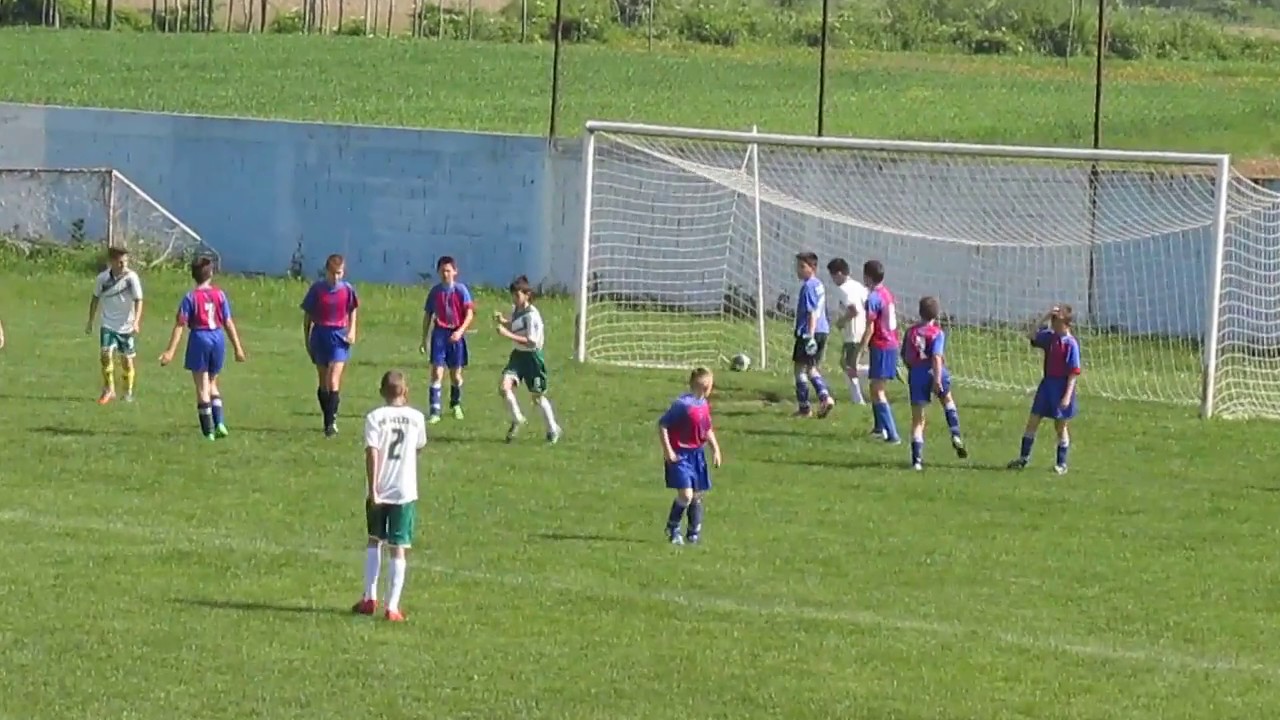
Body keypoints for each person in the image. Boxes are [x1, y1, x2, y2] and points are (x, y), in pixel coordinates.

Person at [353, 370, 428, 623]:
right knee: (399, 548)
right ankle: (392, 606)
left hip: (380, 488)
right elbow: (419, 447)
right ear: (405, 391)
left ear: (381, 391)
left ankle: (369, 597)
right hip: (404, 490)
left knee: (374, 541)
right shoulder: (416, 418)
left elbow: (372, 452)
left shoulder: (375, 417)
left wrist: (373, 487)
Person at [158, 257, 247, 440]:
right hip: (217, 337)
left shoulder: (190, 297)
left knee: (201, 386)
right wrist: (238, 348)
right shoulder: (219, 295)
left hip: (199, 337)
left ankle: (208, 432)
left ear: (193, 275)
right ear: (211, 274)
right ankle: (220, 422)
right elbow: (228, 322)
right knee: (213, 382)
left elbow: (180, 325)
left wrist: (170, 351)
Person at [1009, 305, 1082, 475]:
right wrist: (1045, 316)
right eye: (1052, 320)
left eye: (1056, 321)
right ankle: (1023, 458)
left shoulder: (1071, 344)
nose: (1053, 324)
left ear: (1066, 323)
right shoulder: (1050, 337)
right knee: (1033, 421)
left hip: (1061, 387)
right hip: (1046, 385)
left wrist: (1066, 397)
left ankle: (1061, 464)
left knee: (1060, 426)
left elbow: (1073, 374)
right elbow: (1030, 335)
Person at [494, 275, 562, 444]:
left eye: (517, 295)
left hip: (532, 359)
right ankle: (517, 418)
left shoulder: (533, 316)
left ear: (527, 295)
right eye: (513, 295)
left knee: (537, 397)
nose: (515, 299)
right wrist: (504, 321)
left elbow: (532, 341)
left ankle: (553, 429)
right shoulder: (517, 309)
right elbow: (517, 325)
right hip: (517, 356)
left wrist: (506, 334)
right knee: (504, 387)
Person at [902, 296, 968, 470]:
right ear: (936, 314)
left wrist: (912, 370)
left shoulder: (911, 332)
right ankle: (955, 434)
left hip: (917, 373)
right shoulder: (937, 332)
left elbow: (905, 355)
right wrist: (938, 379)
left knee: (918, 419)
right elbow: (937, 357)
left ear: (919, 311)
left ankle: (916, 461)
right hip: (934, 371)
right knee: (947, 400)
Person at [658, 368, 722, 545]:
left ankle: (693, 532)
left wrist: (715, 448)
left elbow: (706, 428)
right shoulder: (682, 405)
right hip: (680, 455)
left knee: (696, 495)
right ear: (705, 386)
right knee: (686, 495)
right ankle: (673, 527)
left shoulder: (703, 404)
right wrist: (668, 451)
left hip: (697, 455)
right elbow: (663, 425)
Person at [301, 254, 360, 437]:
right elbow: (307, 316)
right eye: (333, 273)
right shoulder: (317, 290)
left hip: (339, 336)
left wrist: (352, 331)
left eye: (339, 273)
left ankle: (331, 422)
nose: (336, 277)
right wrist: (307, 339)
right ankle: (327, 416)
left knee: (334, 379)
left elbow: (352, 309)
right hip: (320, 335)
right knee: (323, 381)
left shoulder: (347, 289)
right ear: (327, 271)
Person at [419, 256, 475, 424]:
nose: (445, 274)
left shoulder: (461, 290)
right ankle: (434, 410)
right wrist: (424, 339)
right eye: (442, 271)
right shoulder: (435, 292)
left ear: (455, 272)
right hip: (440, 334)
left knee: (456, 375)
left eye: (448, 271)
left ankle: (455, 403)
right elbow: (428, 315)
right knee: (437, 372)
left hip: (455, 335)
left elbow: (469, 314)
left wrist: (460, 331)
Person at [87, 247, 144, 404]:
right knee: (105, 354)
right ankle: (109, 389)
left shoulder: (131, 278)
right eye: (120, 262)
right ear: (111, 262)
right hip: (108, 324)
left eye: (125, 261)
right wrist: (90, 321)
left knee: (127, 360)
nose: (123, 265)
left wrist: (136, 321)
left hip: (126, 326)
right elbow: (95, 299)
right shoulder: (102, 279)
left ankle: (128, 392)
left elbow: (139, 300)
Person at [854, 260, 901, 443]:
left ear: (867, 277)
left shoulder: (873, 298)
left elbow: (870, 327)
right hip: (891, 343)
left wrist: (861, 349)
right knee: (875, 386)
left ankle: (893, 435)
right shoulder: (886, 293)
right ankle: (878, 428)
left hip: (882, 345)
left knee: (877, 389)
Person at [791, 252, 835, 418]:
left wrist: (809, 336)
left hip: (810, 332)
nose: (799, 270)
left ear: (813, 268)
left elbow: (811, 313)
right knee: (812, 369)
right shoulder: (819, 284)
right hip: (822, 330)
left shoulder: (808, 286)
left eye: (802, 266)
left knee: (799, 370)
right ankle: (825, 397)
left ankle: (804, 408)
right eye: (798, 266)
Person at [826, 257, 868, 406]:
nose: (833, 280)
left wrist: (841, 321)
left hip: (853, 333)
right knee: (847, 363)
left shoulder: (843, 289)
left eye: (832, 277)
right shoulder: (859, 286)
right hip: (863, 329)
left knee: (848, 365)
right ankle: (858, 399)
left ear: (838, 274)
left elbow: (853, 310)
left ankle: (859, 399)